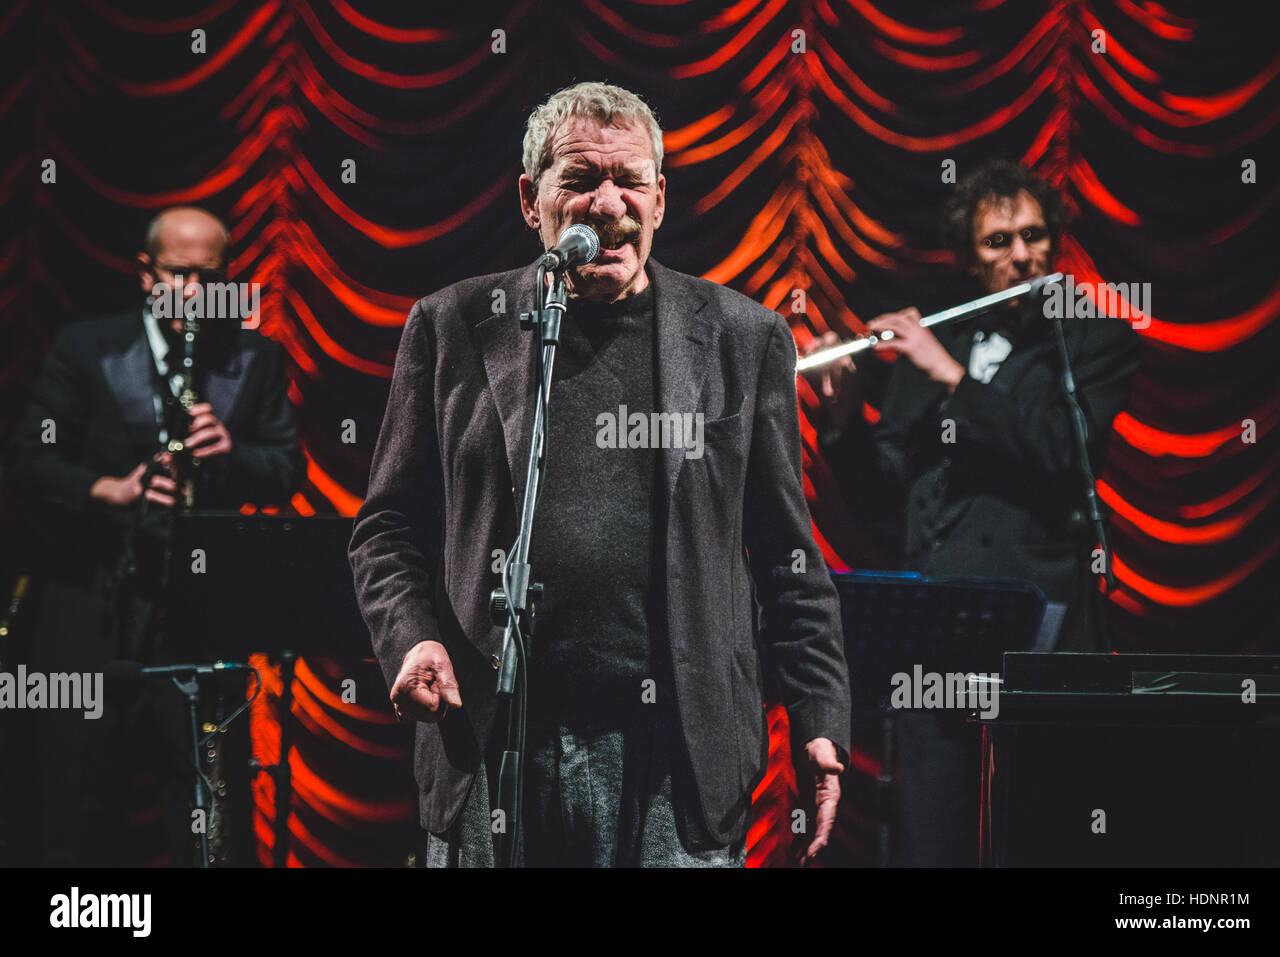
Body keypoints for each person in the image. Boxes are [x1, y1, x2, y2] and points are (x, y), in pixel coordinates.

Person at [349, 82, 851, 867]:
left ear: (660, 197)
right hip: (491, 743)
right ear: (531, 199)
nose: (607, 202)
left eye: (631, 180)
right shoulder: (450, 326)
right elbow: (386, 528)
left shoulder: (742, 339)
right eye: (581, 179)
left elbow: (789, 554)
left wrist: (819, 713)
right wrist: (411, 639)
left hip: (671, 750)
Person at [807, 159, 1141, 864]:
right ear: (970, 258)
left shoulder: (1090, 344)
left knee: (1038, 837)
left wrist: (952, 378)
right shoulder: (939, 343)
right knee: (933, 837)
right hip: (940, 640)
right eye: (999, 242)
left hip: (1043, 640)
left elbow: (1063, 447)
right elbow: (880, 499)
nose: (1021, 254)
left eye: (1033, 236)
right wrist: (842, 417)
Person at [6, 206, 305, 865]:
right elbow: (30, 459)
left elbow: (287, 468)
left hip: (203, 618)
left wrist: (231, 453)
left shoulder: (254, 358)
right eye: (178, 275)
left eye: (210, 277)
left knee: (207, 806)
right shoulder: (87, 347)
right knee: (77, 802)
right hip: (93, 609)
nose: (194, 294)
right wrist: (113, 489)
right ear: (146, 274)